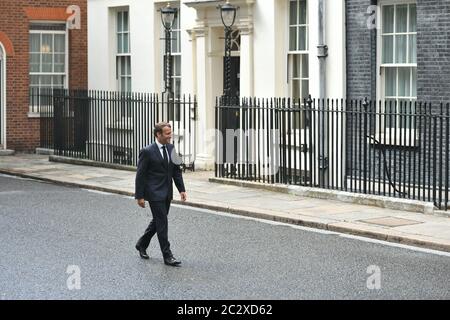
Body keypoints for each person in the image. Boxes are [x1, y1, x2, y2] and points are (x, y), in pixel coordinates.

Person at [134, 122, 187, 267]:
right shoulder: (147, 151)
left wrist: (181, 189)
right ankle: (167, 255)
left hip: (167, 193)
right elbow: (140, 175)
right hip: (154, 193)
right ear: (158, 134)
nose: (170, 136)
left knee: (158, 221)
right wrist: (139, 196)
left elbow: (176, 171)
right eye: (167, 133)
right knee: (162, 223)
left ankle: (141, 244)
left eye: (171, 133)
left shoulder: (171, 148)